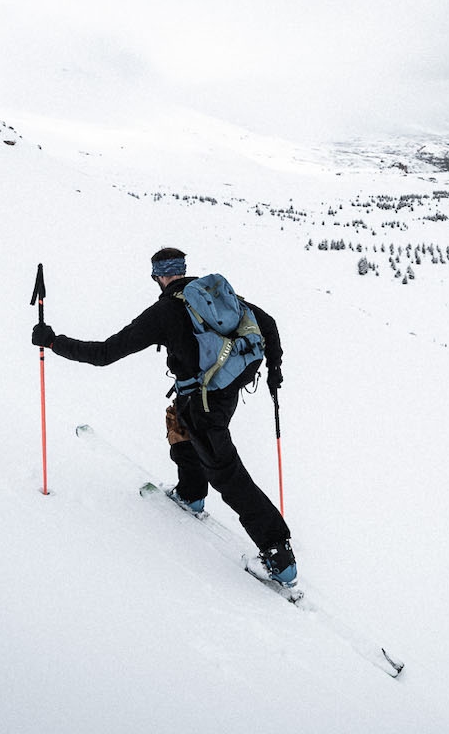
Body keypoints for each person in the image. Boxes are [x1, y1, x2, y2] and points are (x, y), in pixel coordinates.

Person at [31, 247, 295, 585]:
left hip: (203, 401)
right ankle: (191, 493)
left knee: (226, 473)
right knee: (179, 420)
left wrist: (54, 343)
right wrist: (274, 370)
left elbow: (104, 353)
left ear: (158, 277)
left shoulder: (165, 312)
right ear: (183, 270)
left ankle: (279, 557)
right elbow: (267, 323)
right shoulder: (213, 293)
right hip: (224, 392)